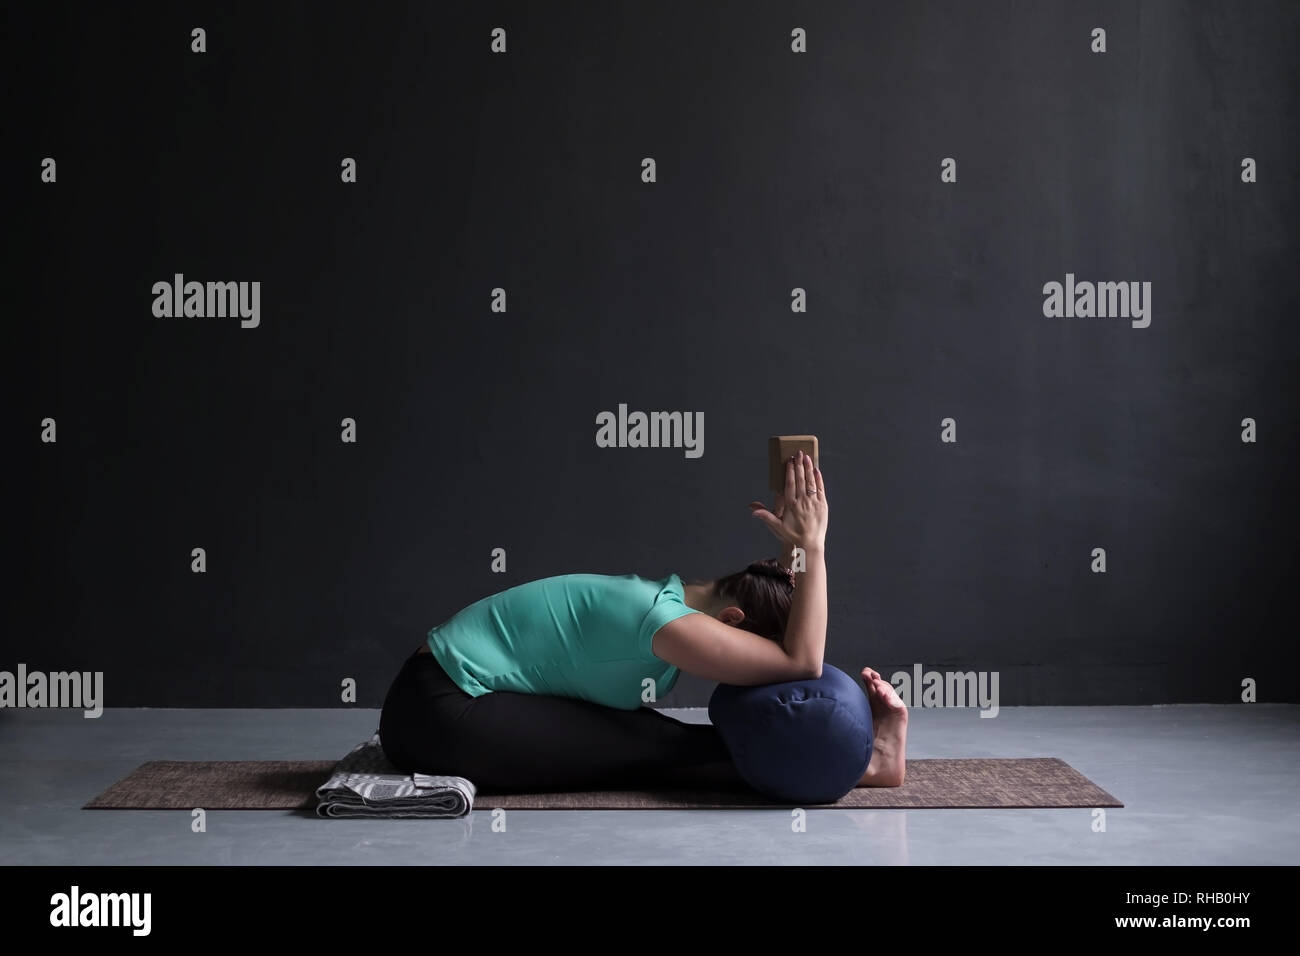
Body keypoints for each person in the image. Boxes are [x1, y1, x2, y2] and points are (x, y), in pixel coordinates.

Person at [378, 451, 908, 793]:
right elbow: (801, 660)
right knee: (659, 750)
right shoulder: (660, 619)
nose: (749, 672)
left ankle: (868, 765)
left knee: (652, 736)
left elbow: (794, 652)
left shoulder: (661, 600)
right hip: (439, 714)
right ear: (731, 619)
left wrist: (795, 554)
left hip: (446, 696)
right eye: (751, 654)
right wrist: (812, 547)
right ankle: (863, 769)